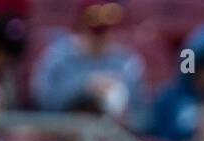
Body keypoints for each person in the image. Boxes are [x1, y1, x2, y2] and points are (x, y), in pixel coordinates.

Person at [31, 0, 148, 130]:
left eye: (105, 30)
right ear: (80, 28)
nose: (99, 37)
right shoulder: (58, 57)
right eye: (95, 31)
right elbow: (44, 101)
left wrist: (120, 96)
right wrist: (85, 86)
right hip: (65, 134)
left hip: (114, 136)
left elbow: (142, 115)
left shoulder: (125, 62)